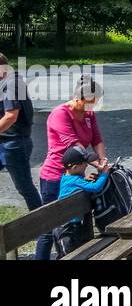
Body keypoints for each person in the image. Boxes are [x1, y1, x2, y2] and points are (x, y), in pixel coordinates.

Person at [34, 75, 107, 260]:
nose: (93, 107)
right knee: (50, 227)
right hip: (54, 176)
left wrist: (103, 159)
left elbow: (96, 139)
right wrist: (97, 165)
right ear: (78, 98)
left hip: (76, 174)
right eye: (90, 103)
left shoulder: (89, 114)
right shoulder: (60, 114)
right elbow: (74, 145)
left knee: (77, 223)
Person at [0, 54, 40, 211]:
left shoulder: (11, 84)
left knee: (25, 188)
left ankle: (45, 232)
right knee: (25, 187)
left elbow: (11, 116)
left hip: (13, 144)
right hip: (6, 142)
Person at [54, 146, 109, 255]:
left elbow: (76, 185)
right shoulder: (74, 180)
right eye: (84, 163)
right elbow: (95, 188)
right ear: (74, 167)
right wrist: (104, 174)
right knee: (68, 255)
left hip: (72, 225)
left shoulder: (68, 177)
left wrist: (84, 180)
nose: (87, 165)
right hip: (66, 229)